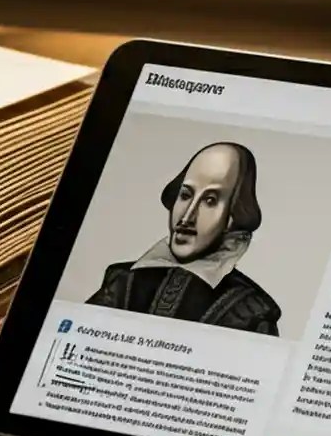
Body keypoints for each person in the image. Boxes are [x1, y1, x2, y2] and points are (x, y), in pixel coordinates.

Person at [86, 142, 281, 335]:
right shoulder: (123, 280)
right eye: (185, 195)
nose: (187, 217)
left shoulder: (251, 310)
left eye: (210, 200)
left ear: (232, 216)